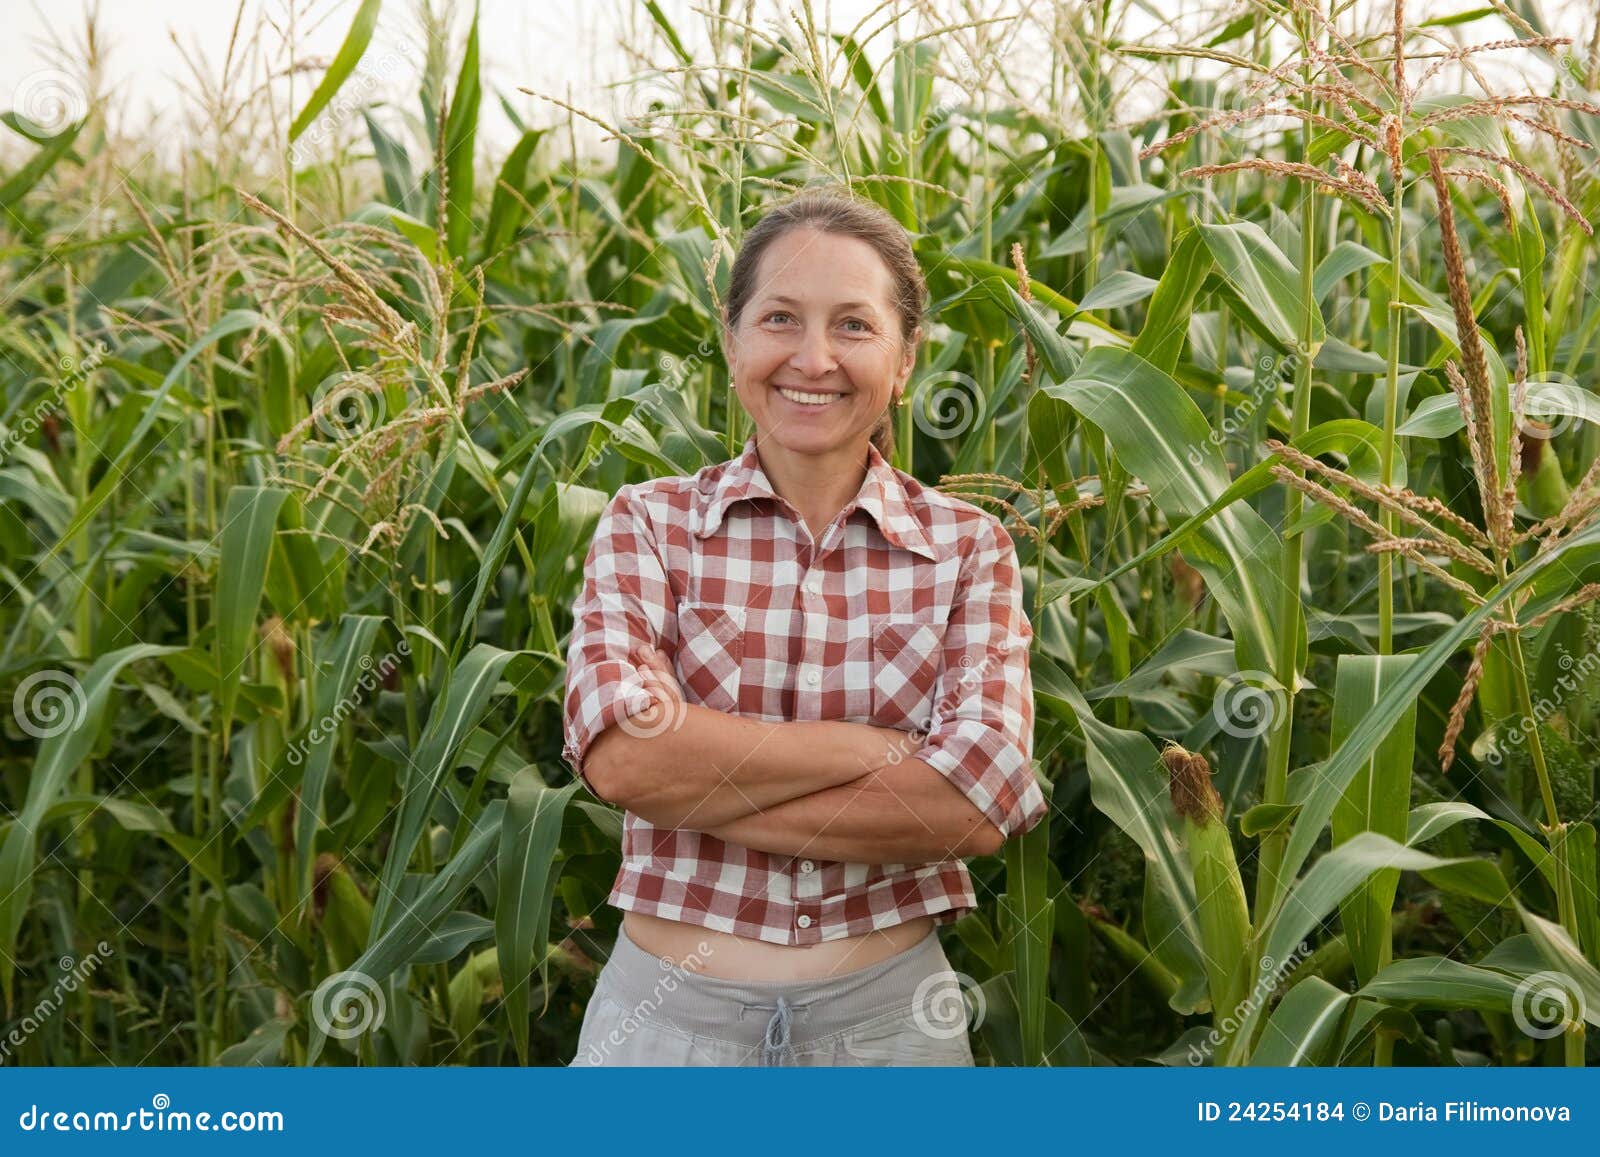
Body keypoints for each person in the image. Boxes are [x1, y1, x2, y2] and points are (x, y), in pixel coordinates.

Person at [560, 186, 1047, 1066]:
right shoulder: (646, 523)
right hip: (665, 1036)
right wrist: (876, 751)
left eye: (854, 326)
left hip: (893, 1035)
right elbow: (626, 756)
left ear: (906, 359)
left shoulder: (970, 549)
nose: (813, 357)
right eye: (780, 317)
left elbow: (978, 802)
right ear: (733, 339)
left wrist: (700, 788)